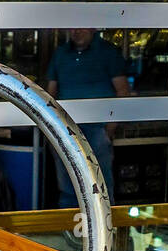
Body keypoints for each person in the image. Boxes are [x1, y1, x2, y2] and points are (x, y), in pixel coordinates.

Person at [46, 29, 130, 206]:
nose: (77, 31)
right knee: (68, 184)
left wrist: (109, 129)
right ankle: (70, 229)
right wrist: (51, 125)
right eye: (73, 27)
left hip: (97, 129)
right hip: (65, 128)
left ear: (92, 28)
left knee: (100, 185)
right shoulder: (60, 53)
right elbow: (50, 94)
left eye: (82, 26)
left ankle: (104, 231)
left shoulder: (107, 52)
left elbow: (123, 92)